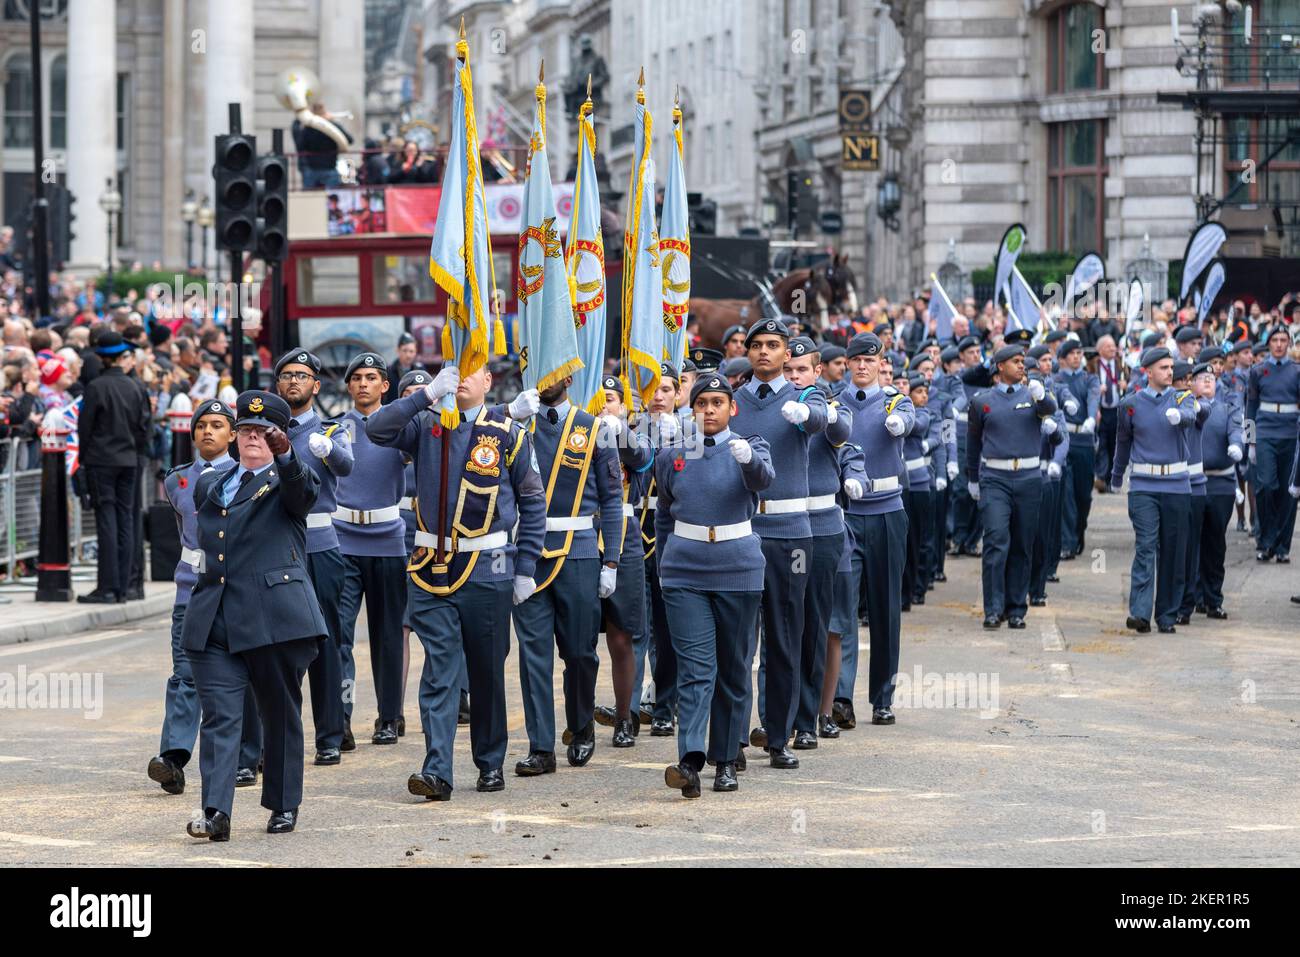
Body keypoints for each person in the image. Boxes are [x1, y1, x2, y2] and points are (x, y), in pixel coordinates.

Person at [367, 364, 546, 800]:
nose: (462, 378)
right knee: (440, 670)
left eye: (474, 370)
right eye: (455, 369)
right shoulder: (427, 423)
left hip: (489, 568)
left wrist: (526, 567)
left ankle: (489, 762)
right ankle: (437, 770)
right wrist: (424, 395)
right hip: (432, 567)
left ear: (489, 382)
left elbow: (532, 500)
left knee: (485, 673)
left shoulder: (508, 432)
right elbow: (376, 428)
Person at [183, 391, 327, 841]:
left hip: (273, 618)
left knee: (279, 713)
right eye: (246, 429)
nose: (252, 438)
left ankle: (283, 804)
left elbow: (302, 494)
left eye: (264, 433)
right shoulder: (212, 483)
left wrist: (286, 457)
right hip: (215, 617)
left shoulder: (289, 480)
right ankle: (216, 812)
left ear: (280, 438)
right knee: (222, 718)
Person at [656, 374, 773, 797]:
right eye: (702, 402)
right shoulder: (673, 455)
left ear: (731, 408)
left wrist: (747, 460)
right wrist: (665, 564)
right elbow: (665, 511)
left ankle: (726, 759)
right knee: (695, 669)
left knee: (734, 667)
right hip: (685, 572)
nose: (709, 410)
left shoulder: (752, 447)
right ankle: (690, 759)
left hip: (738, 568)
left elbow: (764, 481)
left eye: (718, 403)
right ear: (693, 408)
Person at [511, 373, 623, 775]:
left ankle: (580, 726)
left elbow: (612, 499)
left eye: (554, 371)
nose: (545, 380)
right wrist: (509, 414)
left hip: (578, 550)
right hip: (528, 551)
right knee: (533, 656)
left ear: (570, 376)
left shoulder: (595, 429)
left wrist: (611, 559)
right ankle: (541, 746)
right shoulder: (515, 423)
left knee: (579, 653)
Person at [732, 318, 829, 769]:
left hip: (791, 534)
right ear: (748, 353)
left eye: (774, 345)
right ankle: (732, 736)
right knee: (737, 642)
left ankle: (778, 735)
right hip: (744, 531)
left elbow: (830, 422)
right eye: (757, 345)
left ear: (788, 353)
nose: (765, 352)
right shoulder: (731, 402)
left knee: (785, 638)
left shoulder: (803, 398)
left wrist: (809, 414)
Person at [147, 400, 236, 796]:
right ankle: (173, 758)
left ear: (232, 434)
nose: (207, 432)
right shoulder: (177, 480)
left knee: (241, 679)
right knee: (185, 675)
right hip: (192, 593)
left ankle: (250, 755)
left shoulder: (246, 475)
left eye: (217, 425)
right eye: (201, 425)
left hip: (236, 592)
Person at [275, 349, 354, 766]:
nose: (293, 382)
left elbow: (346, 467)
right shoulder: (265, 432)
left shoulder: (331, 430)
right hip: (276, 549)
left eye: (301, 376)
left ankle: (330, 735)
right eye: (286, 376)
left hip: (321, 545)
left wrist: (327, 450)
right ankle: (278, 739)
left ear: (316, 386)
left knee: (327, 643)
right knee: (276, 646)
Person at [783, 337, 860, 750]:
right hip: (780, 525)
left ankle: (810, 717)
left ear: (818, 372)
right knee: (780, 625)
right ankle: (775, 716)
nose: (794, 377)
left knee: (815, 624)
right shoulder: (776, 407)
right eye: (788, 371)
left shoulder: (832, 407)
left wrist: (820, 410)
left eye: (801, 371)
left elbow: (842, 429)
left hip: (822, 526)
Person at [836, 332, 912, 725]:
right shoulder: (834, 404)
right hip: (847, 514)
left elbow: (909, 419)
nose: (863, 366)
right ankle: (841, 697)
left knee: (885, 608)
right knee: (843, 609)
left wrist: (898, 423)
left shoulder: (896, 400)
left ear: (881, 363)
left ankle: (883, 697)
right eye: (856, 360)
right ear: (848, 364)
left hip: (886, 511)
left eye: (871, 360)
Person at [333, 353, 408, 747]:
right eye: (357, 378)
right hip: (343, 539)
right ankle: (341, 718)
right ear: (348, 387)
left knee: (388, 636)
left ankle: (389, 716)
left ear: (385, 386)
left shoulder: (400, 428)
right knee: (340, 636)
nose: (363, 384)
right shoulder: (335, 429)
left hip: (388, 538)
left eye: (372, 378)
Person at [966, 344, 1059, 629]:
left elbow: (1049, 409)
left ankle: (1017, 607)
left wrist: (1041, 396)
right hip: (995, 477)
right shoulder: (982, 401)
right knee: (995, 540)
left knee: (1022, 543)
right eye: (1016, 362)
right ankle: (993, 608)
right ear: (1000, 367)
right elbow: (973, 444)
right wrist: (972, 478)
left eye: (1023, 362)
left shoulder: (1033, 394)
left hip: (1029, 477)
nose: (1022, 366)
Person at [1109, 347, 1199, 634]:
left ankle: (1167, 615)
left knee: (1172, 552)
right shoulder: (1130, 404)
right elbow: (1122, 442)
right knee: (1146, 547)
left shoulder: (1183, 396)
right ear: (1147, 371)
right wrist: (1116, 475)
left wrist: (1181, 416)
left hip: (1176, 486)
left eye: (1172, 367)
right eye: (1163, 368)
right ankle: (1140, 613)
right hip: (1144, 487)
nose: (1170, 372)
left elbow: (1194, 413)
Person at [594, 375, 654, 747]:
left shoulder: (636, 434)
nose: (604, 406)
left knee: (622, 635)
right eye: (599, 399)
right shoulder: (581, 432)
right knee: (581, 639)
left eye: (611, 399)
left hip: (625, 534)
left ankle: (624, 716)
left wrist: (618, 431)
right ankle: (580, 717)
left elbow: (641, 457)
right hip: (584, 532)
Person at [77, 331, 150, 604]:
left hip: (101, 460)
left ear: (102, 359)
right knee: (125, 522)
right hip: (129, 460)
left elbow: (85, 429)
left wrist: (83, 460)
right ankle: (125, 587)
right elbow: (143, 428)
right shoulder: (135, 387)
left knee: (106, 521)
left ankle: (107, 586)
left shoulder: (96, 387)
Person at [1191, 362, 1243, 620]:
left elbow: (1236, 431)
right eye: (1201, 378)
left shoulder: (1227, 408)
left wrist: (1237, 446)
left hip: (1220, 484)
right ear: (1192, 384)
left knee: (1215, 544)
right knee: (1193, 542)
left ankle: (1213, 599)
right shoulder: (1187, 408)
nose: (1208, 381)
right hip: (1193, 482)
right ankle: (1193, 597)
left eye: (1211, 377)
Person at [1246, 326, 1300, 562]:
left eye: (1283, 340)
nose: (1279, 344)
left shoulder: (1297, 371)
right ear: (1268, 343)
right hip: (1266, 432)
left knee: (1289, 494)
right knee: (1266, 486)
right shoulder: (1258, 371)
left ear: (1289, 343)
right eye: (1275, 340)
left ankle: (1282, 547)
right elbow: (1250, 406)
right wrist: (1251, 442)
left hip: (1290, 433)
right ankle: (1266, 541)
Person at [1054, 339, 1100, 560]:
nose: (1076, 356)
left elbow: (1093, 397)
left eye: (1079, 352)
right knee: (1067, 495)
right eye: (1071, 353)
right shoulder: (1057, 380)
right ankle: (1067, 542)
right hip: (1064, 439)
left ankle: (1078, 531)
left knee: (1083, 496)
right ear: (1062, 358)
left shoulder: (1089, 378)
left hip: (1083, 442)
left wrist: (1091, 418)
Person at [292, 102, 352, 189]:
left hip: (312, 168)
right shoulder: (333, 126)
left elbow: (301, 145)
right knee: (332, 198)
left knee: (308, 198)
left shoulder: (308, 128)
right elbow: (349, 140)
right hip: (329, 167)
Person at [384, 332, 425, 404]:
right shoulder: (389, 372)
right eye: (405, 350)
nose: (408, 355)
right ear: (398, 350)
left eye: (411, 351)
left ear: (416, 352)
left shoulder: (420, 370)